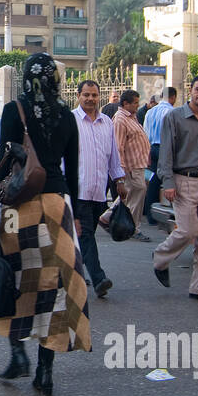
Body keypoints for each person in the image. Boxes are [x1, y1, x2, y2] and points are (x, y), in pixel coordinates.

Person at [0, 53, 88, 396]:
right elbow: (73, 172)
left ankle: (17, 355)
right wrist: (79, 217)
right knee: (54, 287)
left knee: (16, 280)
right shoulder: (68, 116)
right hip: (58, 206)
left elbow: (3, 164)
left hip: (19, 207)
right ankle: (45, 370)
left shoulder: (15, 111)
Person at [152, 74, 198, 304]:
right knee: (189, 230)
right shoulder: (174, 117)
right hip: (184, 180)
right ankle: (160, 257)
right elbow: (166, 153)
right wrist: (168, 183)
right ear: (190, 90)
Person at [72, 80, 125, 298]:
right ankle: (98, 278)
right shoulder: (71, 121)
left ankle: (68, 272)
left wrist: (119, 180)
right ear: (78, 95)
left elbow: (113, 154)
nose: (90, 99)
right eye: (86, 95)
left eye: (94, 95)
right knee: (85, 236)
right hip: (78, 190)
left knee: (85, 236)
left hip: (98, 191)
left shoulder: (106, 123)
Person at [101, 90, 151, 242]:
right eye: (135, 103)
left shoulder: (132, 117)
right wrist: (120, 170)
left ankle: (107, 217)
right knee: (136, 193)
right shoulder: (120, 120)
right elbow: (118, 147)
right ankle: (134, 228)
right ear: (125, 104)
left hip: (137, 164)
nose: (137, 105)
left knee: (129, 194)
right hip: (130, 166)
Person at [142, 87, 177, 226]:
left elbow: (145, 133)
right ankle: (168, 212)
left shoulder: (150, 112)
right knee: (168, 178)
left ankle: (150, 214)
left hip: (152, 147)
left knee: (154, 180)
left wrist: (148, 151)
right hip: (166, 148)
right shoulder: (172, 112)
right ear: (173, 97)